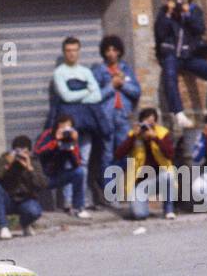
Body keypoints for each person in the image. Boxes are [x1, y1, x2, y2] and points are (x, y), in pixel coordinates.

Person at [154, 0, 207, 129]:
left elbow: (200, 29)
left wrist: (187, 14)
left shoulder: (194, 11)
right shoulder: (164, 13)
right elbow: (160, 33)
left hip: (190, 55)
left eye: (183, 1)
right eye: (176, 1)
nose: (179, 4)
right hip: (171, 54)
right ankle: (178, 113)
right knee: (169, 75)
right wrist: (168, 13)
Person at [50, 37, 102, 187]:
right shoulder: (59, 73)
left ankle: (82, 200)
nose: (71, 54)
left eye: (74, 50)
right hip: (67, 124)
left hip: (85, 123)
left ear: (79, 51)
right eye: (68, 51)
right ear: (64, 52)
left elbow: (97, 95)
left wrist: (76, 96)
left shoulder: (85, 71)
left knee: (84, 160)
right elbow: (66, 96)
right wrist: (86, 91)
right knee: (68, 160)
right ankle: (68, 201)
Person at [92, 36, 141, 193]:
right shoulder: (99, 71)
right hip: (106, 118)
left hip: (122, 117)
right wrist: (111, 86)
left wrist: (123, 84)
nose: (111, 53)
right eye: (108, 50)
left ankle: (120, 186)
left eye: (114, 50)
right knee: (106, 154)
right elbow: (95, 96)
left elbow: (136, 91)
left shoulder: (126, 70)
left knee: (126, 153)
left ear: (119, 51)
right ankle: (109, 192)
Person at [114, 108, 177, 220]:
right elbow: (119, 154)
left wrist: (156, 139)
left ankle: (169, 210)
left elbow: (170, 155)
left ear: (155, 124)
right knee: (139, 215)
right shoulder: (133, 135)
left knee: (169, 175)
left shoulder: (162, 133)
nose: (147, 128)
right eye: (145, 125)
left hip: (159, 179)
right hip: (140, 183)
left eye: (150, 124)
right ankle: (143, 205)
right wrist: (133, 136)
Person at [0, 136, 47, 237]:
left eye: (24, 152)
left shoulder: (33, 161)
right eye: (18, 151)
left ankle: (25, 224)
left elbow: (43, 184)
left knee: (34, 211)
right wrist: (6, 164)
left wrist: (30, 168)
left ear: (29, 152)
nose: (21, 155)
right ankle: (3, 227)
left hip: (25, 200)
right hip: (7, 200)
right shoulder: (6, 158)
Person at [34, 113, 90, 219]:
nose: (65, 131)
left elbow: (77, 163)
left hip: (57, 176)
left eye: (68, 128)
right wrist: (55, 142)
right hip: (41, 176)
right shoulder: (47, 135)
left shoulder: (70, 140)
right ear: (57, 126)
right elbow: (37, 153)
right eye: (63, 127)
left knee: (79, 172)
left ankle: (78, 208)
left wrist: (73, 144)